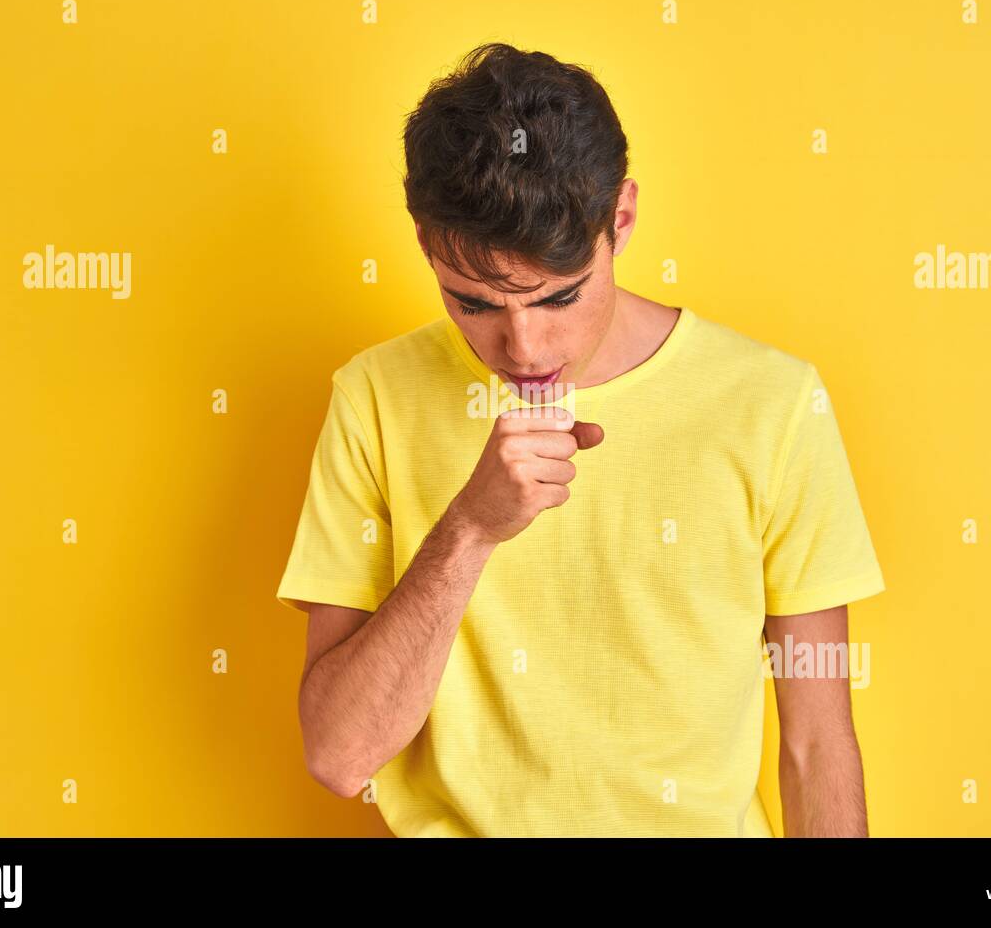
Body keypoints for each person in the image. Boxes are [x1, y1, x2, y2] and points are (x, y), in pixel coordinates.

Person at [277, 42, 886, 837]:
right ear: (426, 244)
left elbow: (815, 741)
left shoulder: (771, 402)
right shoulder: (373, 399)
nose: (524, 348)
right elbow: (338, 753)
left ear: (621, 219)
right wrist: (468, 528)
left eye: (559, 295)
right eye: (476, 305)